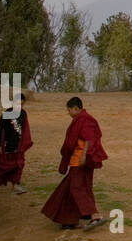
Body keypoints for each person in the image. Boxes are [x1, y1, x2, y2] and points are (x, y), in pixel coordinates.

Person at [40, 96, 108, 231]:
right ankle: (69, 220)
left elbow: (89, 139)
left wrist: (84, 156)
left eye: (69, 110)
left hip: (80, 161)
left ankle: (95, 216)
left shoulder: (84, 120)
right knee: (68, 189)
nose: (68, 113)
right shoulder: (82, 120)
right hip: (77, 160)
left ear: (75, 108)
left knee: (77, 188)